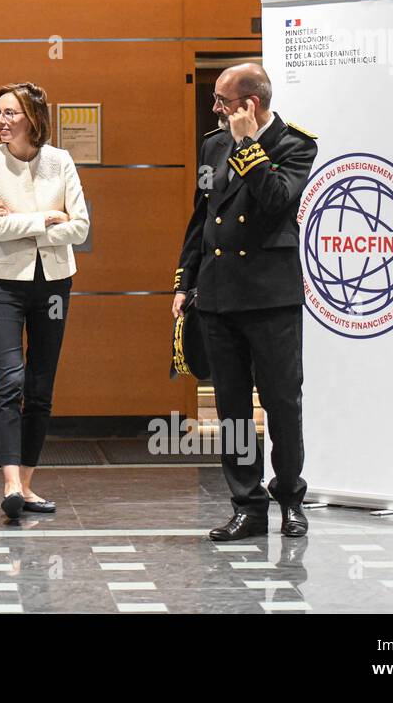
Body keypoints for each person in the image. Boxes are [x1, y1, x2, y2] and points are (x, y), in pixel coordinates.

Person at [171, 62, 318, 541]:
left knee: (281, 403)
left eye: (222, 100)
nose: (215, 109)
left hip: (270, 296)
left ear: (249, 104)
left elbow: (277, 200)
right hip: (218, 293)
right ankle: (248, 506)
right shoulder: (212, 146)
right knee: (232, 410)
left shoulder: (296, 144)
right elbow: (202, 218)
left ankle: (291, 498)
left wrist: (250, 147)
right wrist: (183, 281)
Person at [0, 82, 89, 519]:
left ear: (32, 118)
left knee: (41, 386)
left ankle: (27, 483)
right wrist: (47, 218)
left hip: (55, 282)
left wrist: (24, 221)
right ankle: (8, 483)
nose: (2, 121)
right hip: (3, 282)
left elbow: (79, 228)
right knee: (10, 379)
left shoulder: (60, 161)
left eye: (10, 113)